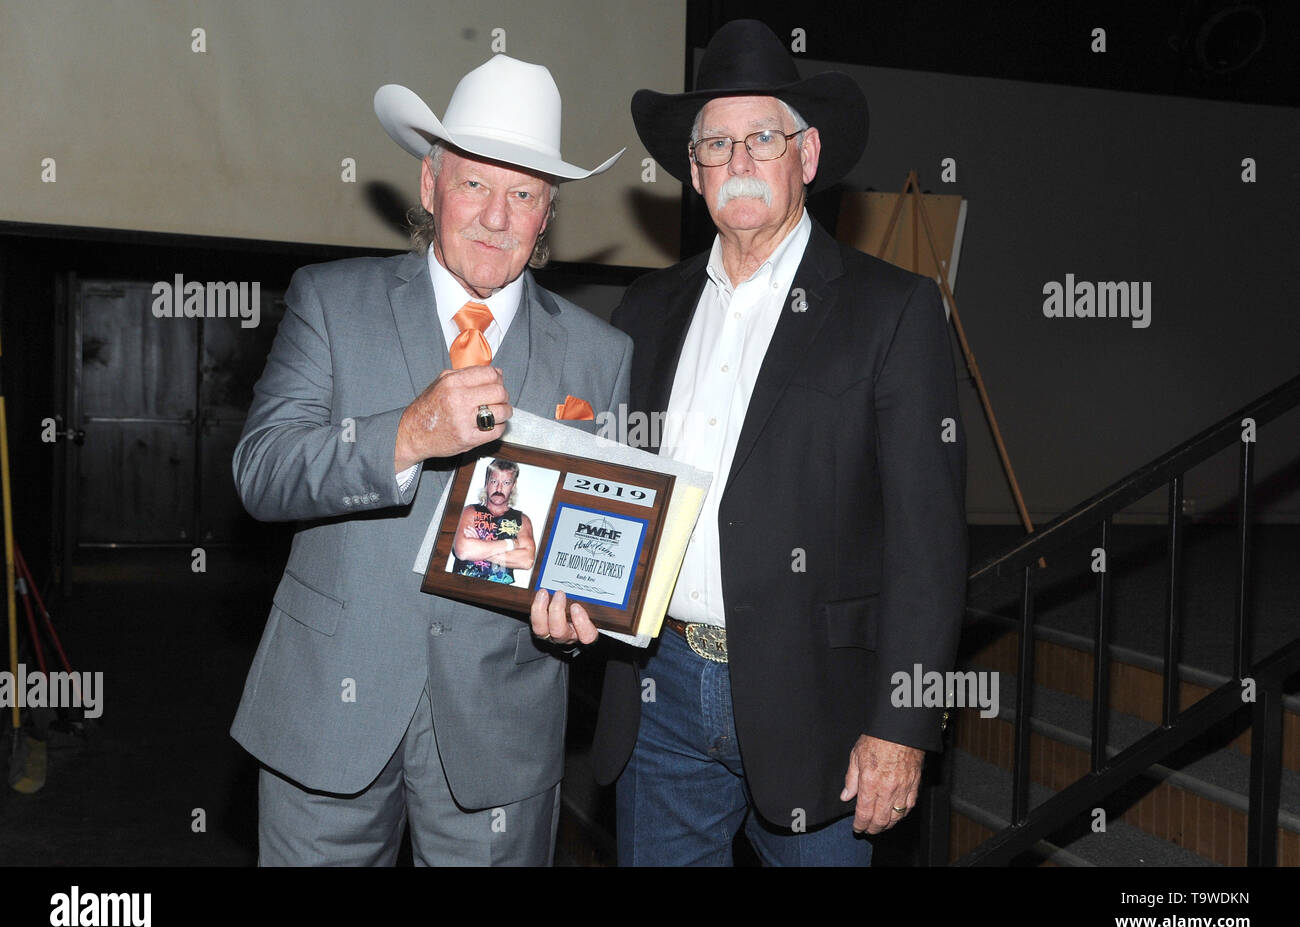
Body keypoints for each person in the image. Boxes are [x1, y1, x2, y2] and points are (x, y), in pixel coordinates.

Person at [582, 20, 969, 866]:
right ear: (692, 171)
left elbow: (928, 544)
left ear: (809, 155)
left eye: (765, 136)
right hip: (660, 692)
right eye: (717, 143)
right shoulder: (645, 312)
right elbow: (615, 490)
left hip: (822, 711)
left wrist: (902, 727)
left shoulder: (893, 311)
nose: (741, 159)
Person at [230, 53, 629, 866]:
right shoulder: (330, 301)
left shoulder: (601, 355)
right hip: (326, 716)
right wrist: (406, 434)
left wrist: (579, 619)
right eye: (475, 184)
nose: (494, 216)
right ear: (429, 185)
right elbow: (261, 472)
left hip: (500, 736)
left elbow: (597, 542)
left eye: (523, 194)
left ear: (548, 213)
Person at [452, 458, 536, 584]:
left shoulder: (522, 520)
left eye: (506, 482)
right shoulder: (470, 511)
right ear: (487, 482)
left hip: (499, 591)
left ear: (513, 485)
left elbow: (527, 561)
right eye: (494, 481)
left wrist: (479, 548)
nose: (499, 488)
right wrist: (510, 544)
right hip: (461, 585)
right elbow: (464, 551)